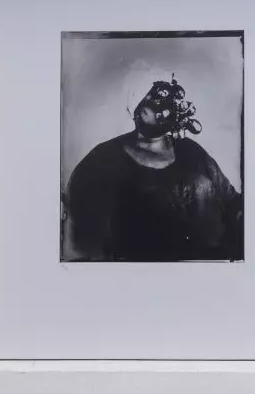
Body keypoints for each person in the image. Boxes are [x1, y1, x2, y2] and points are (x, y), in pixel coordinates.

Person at [62, 76, 243, 262]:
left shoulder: (191, 151)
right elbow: (82, 234)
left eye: (162, 102)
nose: (156, 107)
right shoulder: (104, 158)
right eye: (149, 99)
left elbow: (231, 201)